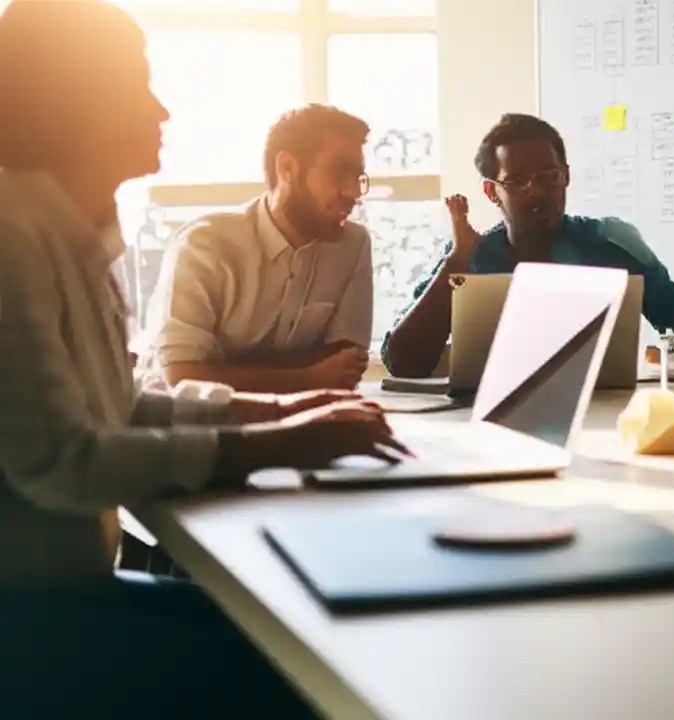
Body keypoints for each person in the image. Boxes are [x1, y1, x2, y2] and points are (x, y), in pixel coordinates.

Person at [0, 2, 404, 716]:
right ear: (73, 102)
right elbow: (61, 463)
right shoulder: (12, 237)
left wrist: (282, 409)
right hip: (32, 623)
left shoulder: (78, 231)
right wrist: (283, 442)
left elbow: (120, 402)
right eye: (136, 84)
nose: (160, 110)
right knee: (309, 664)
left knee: (304, 626)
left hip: (75, 593)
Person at [380, 112, 674, 377]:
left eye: (548, 177)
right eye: (517, 181)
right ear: (492, 191)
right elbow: (404, 364)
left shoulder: (610, 244)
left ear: (566, 177)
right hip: (487, 422)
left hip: (605, 414)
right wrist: (457, 261)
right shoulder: (470, 255)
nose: (536, 192)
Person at [143, 104, 375, 393]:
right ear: (287, 168)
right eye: (339, 172)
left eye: (357, 177)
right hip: (196, 417)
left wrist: (229, 368)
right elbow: (183, 377)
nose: (354, 192)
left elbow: (344, 367)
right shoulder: (205, 246)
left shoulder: (353, 245)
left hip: (310, 414)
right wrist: (308, 377)